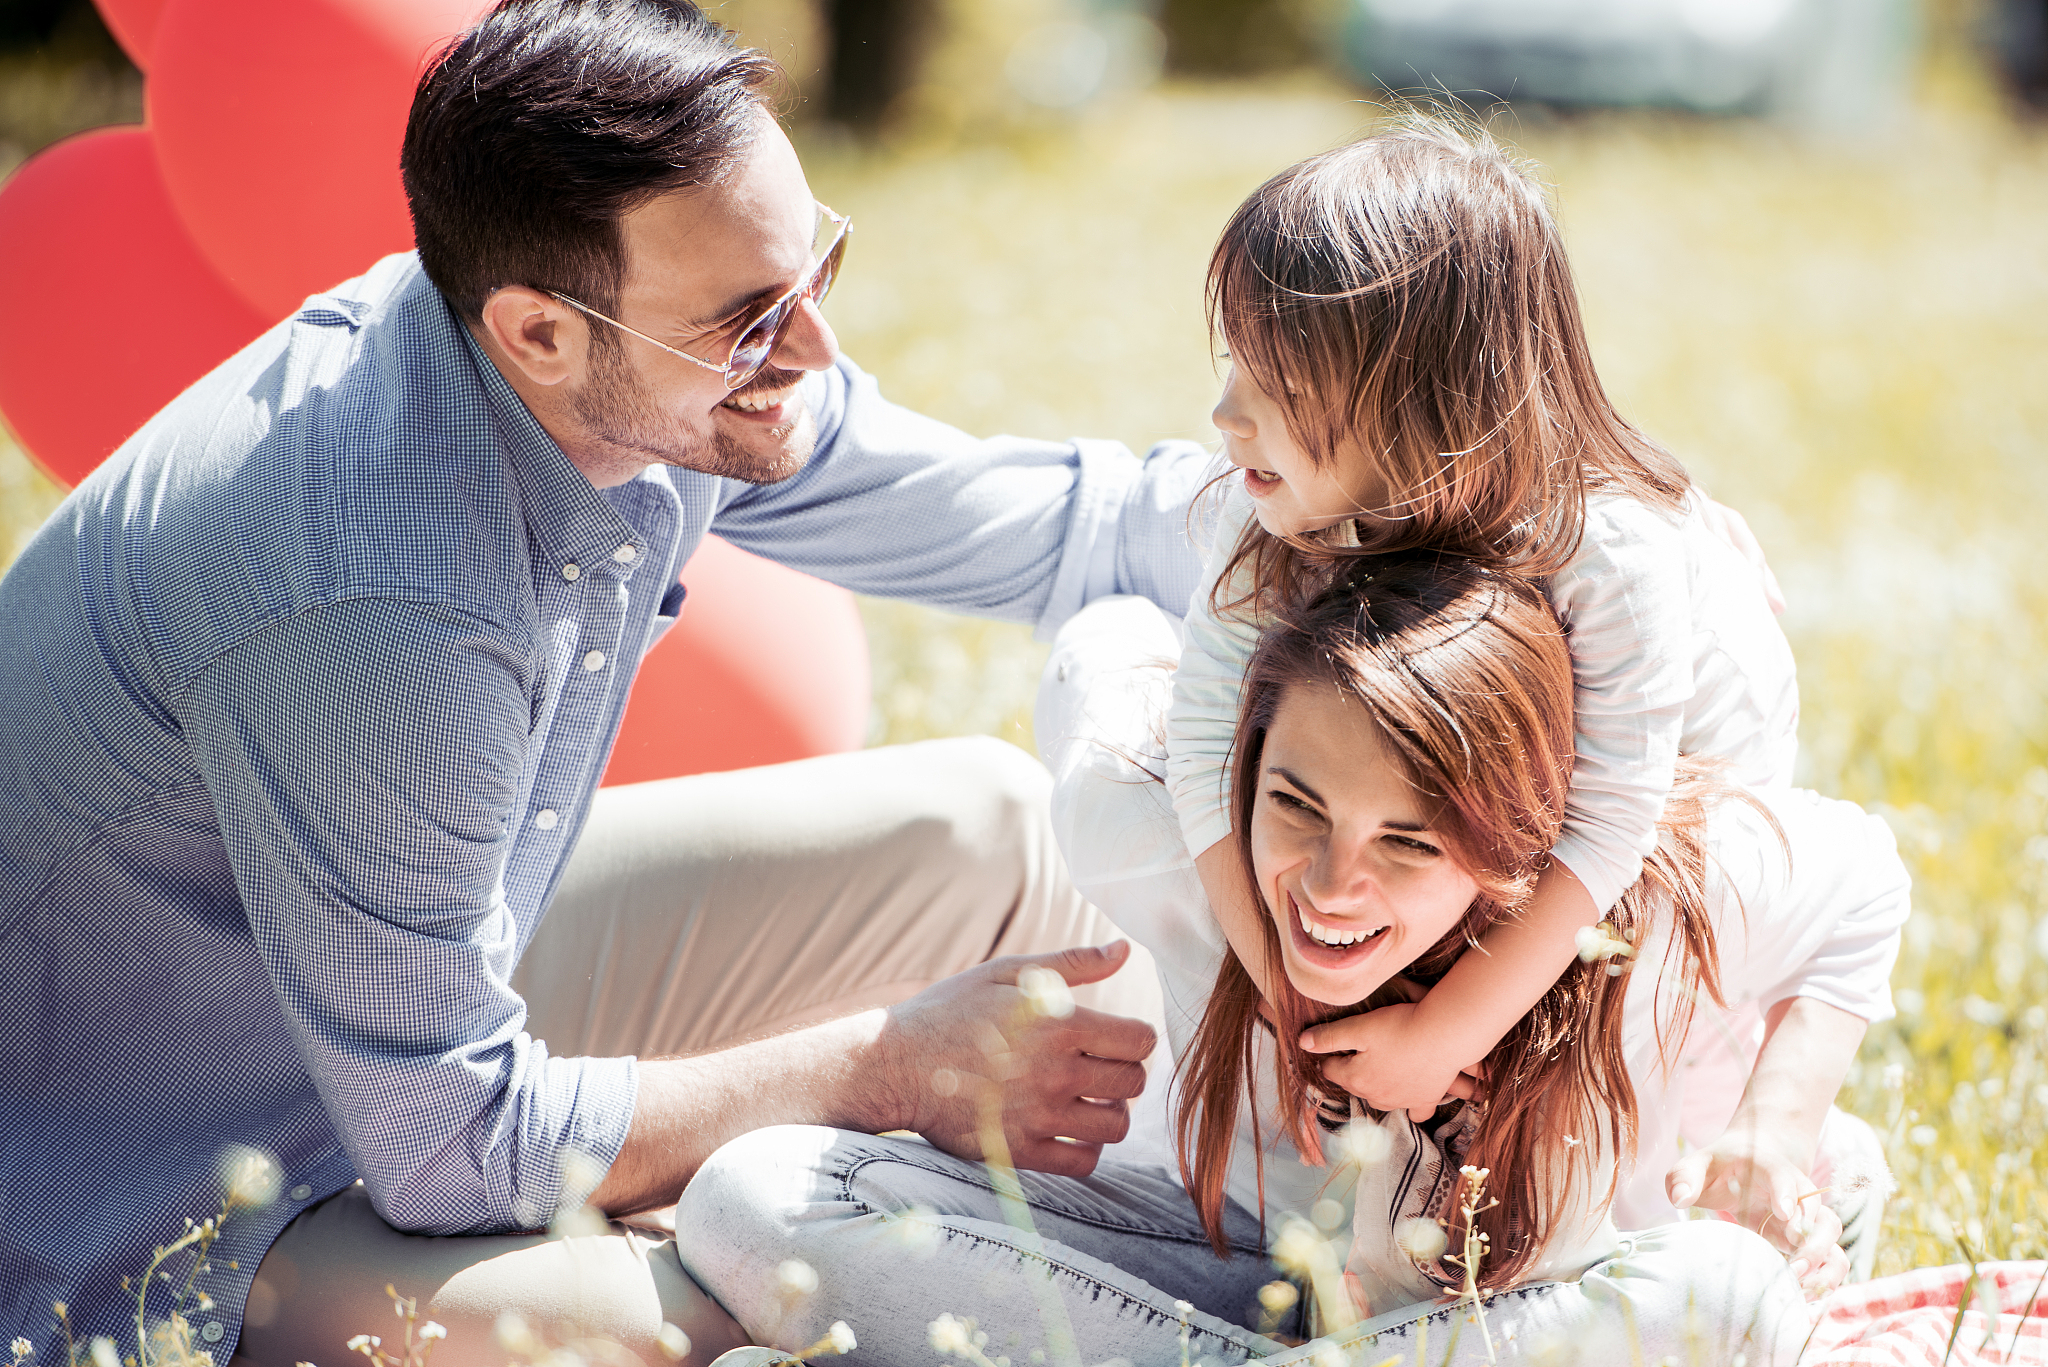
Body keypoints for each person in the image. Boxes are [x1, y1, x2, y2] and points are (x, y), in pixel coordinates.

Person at [0, 2, 1203, 1360]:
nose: (808, 353)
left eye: (814, 271)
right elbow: (448, 1144)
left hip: (397, 991)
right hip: (136, 1180)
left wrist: (1361, 510)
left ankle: (1203, 1242)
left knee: (991, 821)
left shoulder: (648, 366)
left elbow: (1059, 522)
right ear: (539, 334)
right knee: (745, 1318)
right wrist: (887, 1071)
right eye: (749, 321)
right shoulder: (380, 595)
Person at [678, 554, 1908, 1367]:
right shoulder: (1157, 824)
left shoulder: (1644, 894)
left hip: (1521, 1317)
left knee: (1735, 1282)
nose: (1328, 886)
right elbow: (1102, 625)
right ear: (1242, 765)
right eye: (1296, 804)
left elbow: (1862, 881)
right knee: (757, 1196)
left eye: (1409, 841)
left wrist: (1775, 1117)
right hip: (1234, 1271)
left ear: (1518, 853)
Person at [1165, 114, 1803, 1134]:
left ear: (1426, 404)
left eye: (1279, 385)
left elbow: (1610, 824)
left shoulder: (1601, 547)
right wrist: (1280, 990)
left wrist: (1448, 1030)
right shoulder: (1269, 513)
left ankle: (1754, 1140)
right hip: (1481, 799)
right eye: (1231, 363)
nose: (1227, 415)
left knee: (1642, 983)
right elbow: (1195, 742)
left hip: (1685, 801)